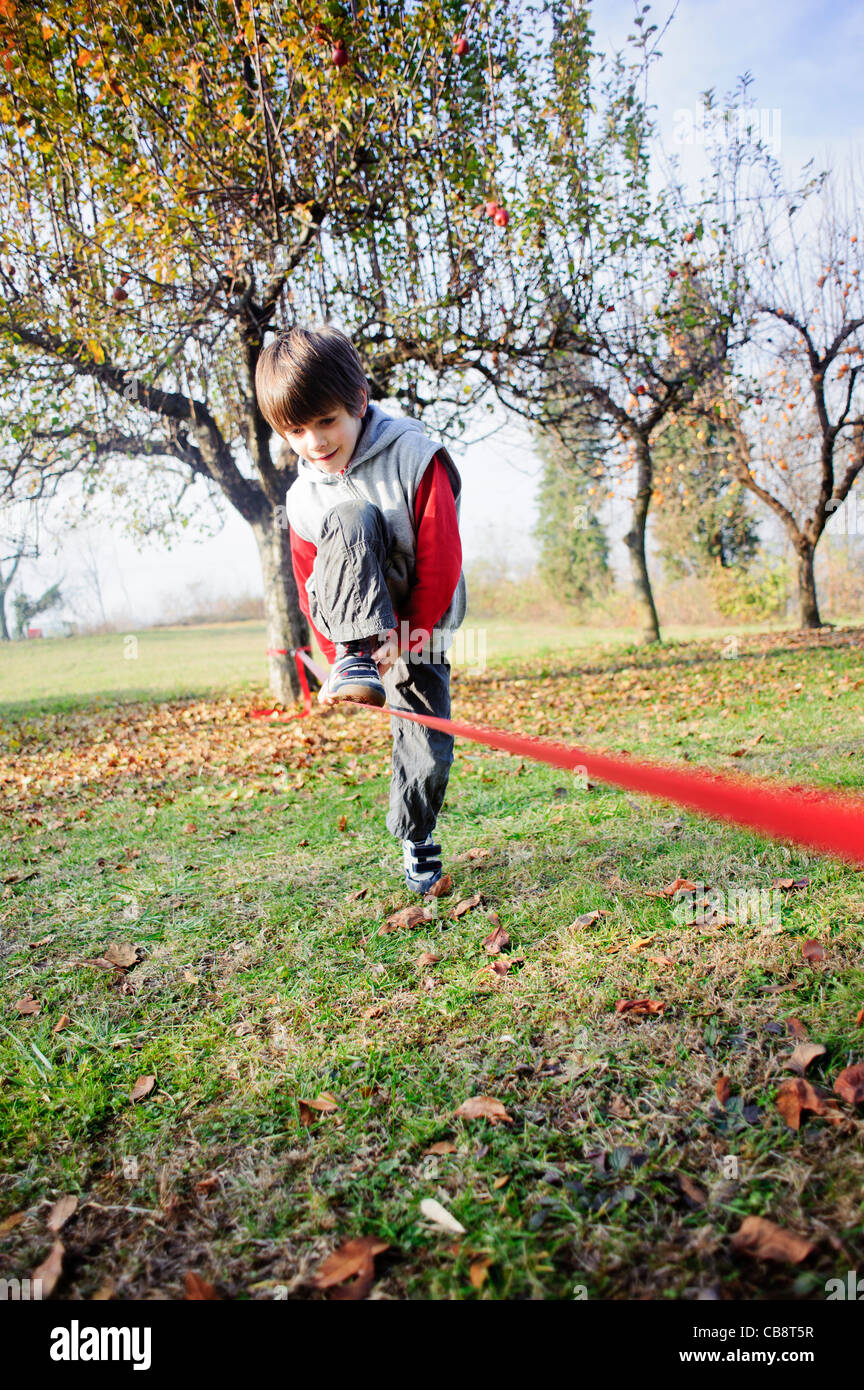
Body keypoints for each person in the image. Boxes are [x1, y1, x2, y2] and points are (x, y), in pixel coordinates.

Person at [254, 324, 467, 894]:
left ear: (359, 403)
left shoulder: (415, 456)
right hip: (354, 627)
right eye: (296, 430)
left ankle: (417, 831)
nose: (315, 442)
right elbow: (307, 581)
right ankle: (355, 660)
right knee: (350, 517)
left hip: (421, 623)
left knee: (427, 740)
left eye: (327, 422)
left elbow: (442, 553)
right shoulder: (303, 497)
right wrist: (335, 653)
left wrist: (413, 634)